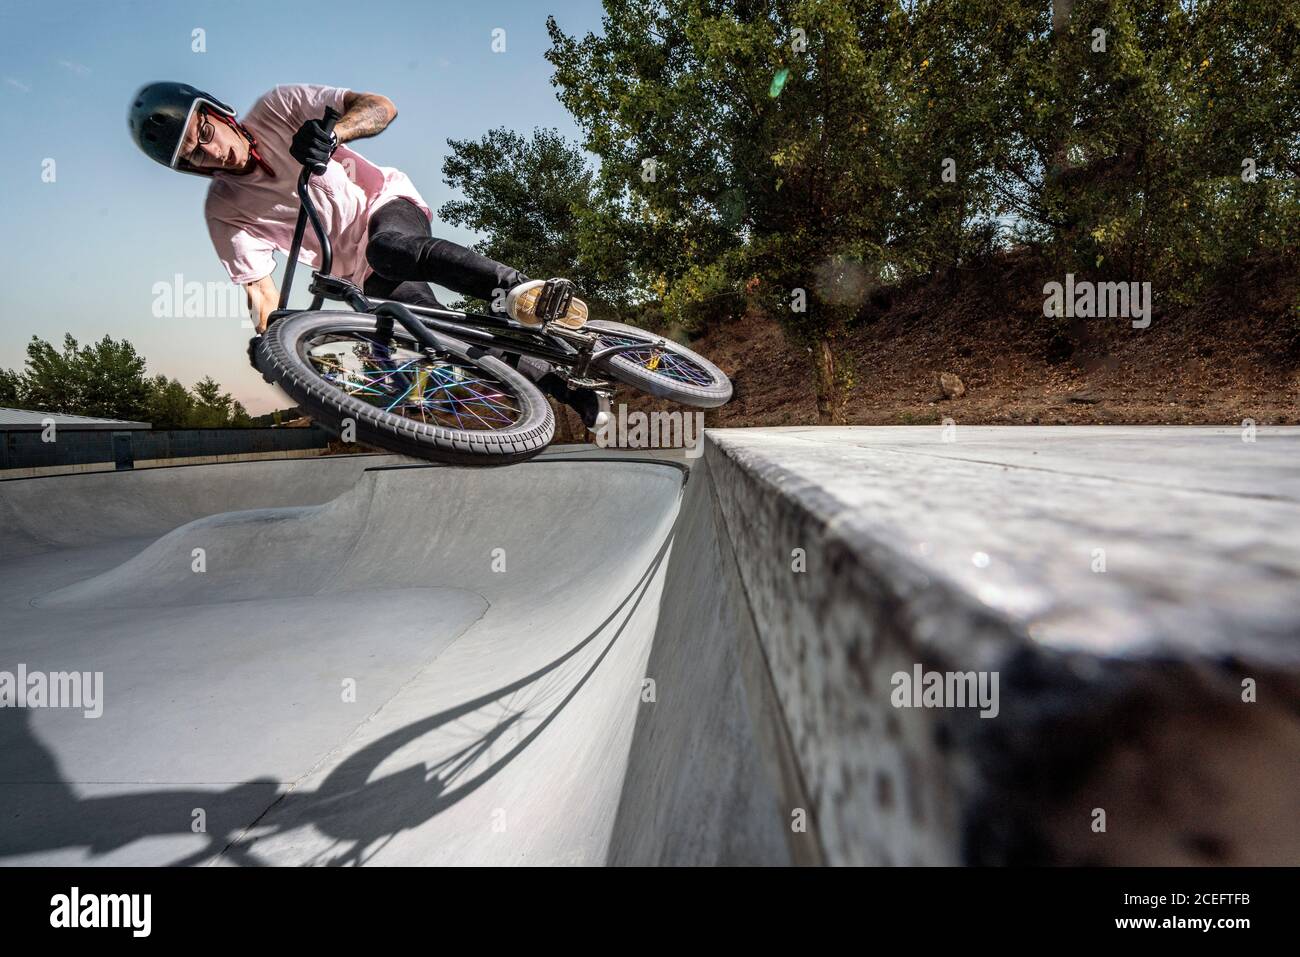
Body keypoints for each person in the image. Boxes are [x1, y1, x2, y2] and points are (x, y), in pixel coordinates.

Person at [127, 81, 600, 425]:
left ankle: (521, 289)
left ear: (219, 114)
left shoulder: (279, 106)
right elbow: (259, 290)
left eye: (205, 137)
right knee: (446, 336)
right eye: (194, 158)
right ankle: (569, 389)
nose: (212, 157)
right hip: (359, 275)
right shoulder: (224, 211)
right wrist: (272, 341)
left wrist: (335, 134)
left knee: (390, 247)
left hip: (385, 206)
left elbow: (380, 106)